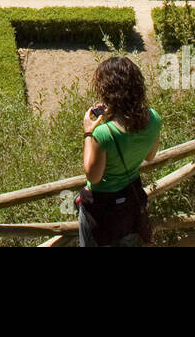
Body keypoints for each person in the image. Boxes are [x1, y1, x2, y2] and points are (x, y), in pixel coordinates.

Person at [77, 56, 161, 247]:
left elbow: (93, 175)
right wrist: (114, 114)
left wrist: (88, 133)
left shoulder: (104, 134)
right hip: (129, 206)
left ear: (107, 92)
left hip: (101, 209)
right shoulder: (154, 118)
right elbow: (150, 156)